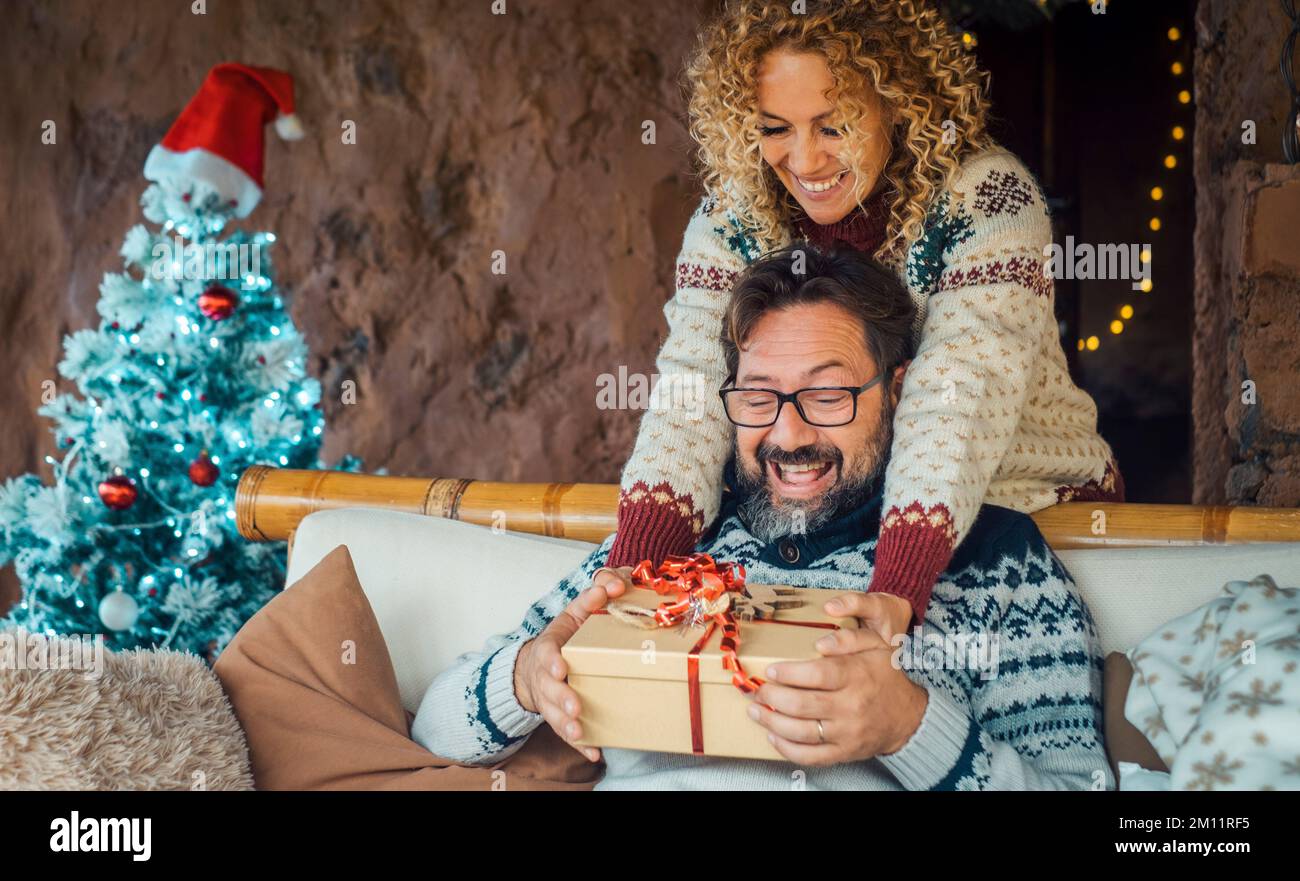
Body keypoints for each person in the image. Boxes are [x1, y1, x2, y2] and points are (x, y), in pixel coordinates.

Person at [411, 245, 1111, 791]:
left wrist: (909, 726)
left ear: (898, 392)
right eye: (758, 396)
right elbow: (434, 728)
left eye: (828, 394)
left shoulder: (993, 560)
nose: (788, 434)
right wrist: (525, 678)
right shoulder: (668, 550)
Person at [604, 0, 1124, 642]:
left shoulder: (988, 199)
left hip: (1014, 509)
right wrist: (634, 567)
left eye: (834, 125)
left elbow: (956, 400)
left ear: (898, 99)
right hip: (842, 518)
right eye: (774, 128)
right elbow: (693, 385)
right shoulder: (729, 217)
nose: (805, 161)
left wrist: (897, 590)